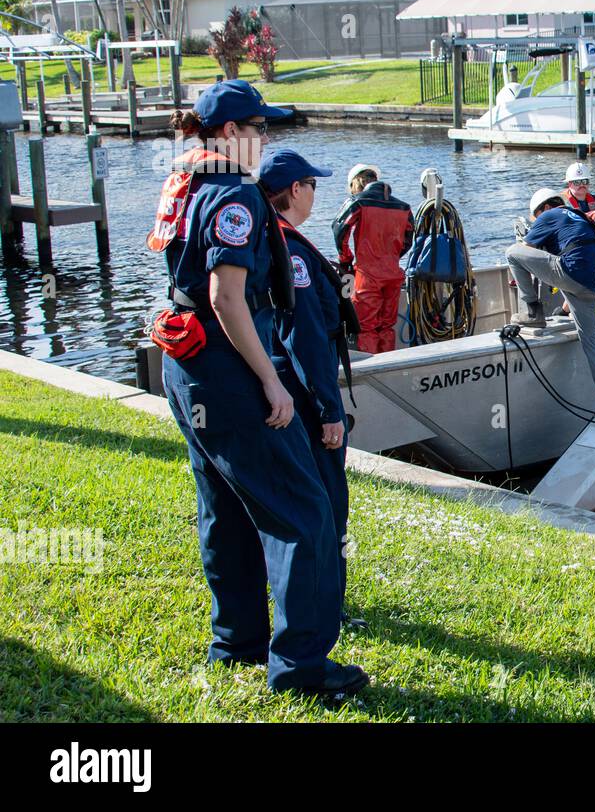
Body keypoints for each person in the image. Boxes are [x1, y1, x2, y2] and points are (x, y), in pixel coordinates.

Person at [147, 80, 366, 698]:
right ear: (229, 134)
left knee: (225, 507)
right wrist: (272, 381)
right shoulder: (235, 193)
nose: (263, 138)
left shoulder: (188, 181)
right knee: (305, 511)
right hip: (227, 366)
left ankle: (237, 642)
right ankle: (301, 667)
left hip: (184, 364)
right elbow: (226, 296)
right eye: (257, 128)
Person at [259, 148, 366, 632]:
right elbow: (303, 335)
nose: (316, 194)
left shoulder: (274, 239)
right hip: (304, 395)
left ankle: (318, 602)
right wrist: (328, 410)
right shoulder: (290, 250)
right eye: (312, 186)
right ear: (295, 191)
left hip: (289, 387)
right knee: (326, 505)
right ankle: (327, 608)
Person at [506, 187, 595, 422]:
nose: (537, 222)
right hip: (594, 286)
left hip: (571, 272)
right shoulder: (577, 215)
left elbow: (525, 251)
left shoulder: (549, 215)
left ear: (545, 208)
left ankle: (533, 312)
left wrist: (522, 275)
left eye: (535, 218)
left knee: (512, 253)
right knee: (591, 343)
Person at [332, 164, 414, 354]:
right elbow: (408, 239)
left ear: (355, 183)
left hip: (367, 275)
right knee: (386, 327)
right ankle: (387, 364)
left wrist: (345, 258)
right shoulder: (403, 207)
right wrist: (393, 256)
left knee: (366, 327)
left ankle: (369, 366)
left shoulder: (358, 202)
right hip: (393, 273)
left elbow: (338, 228)